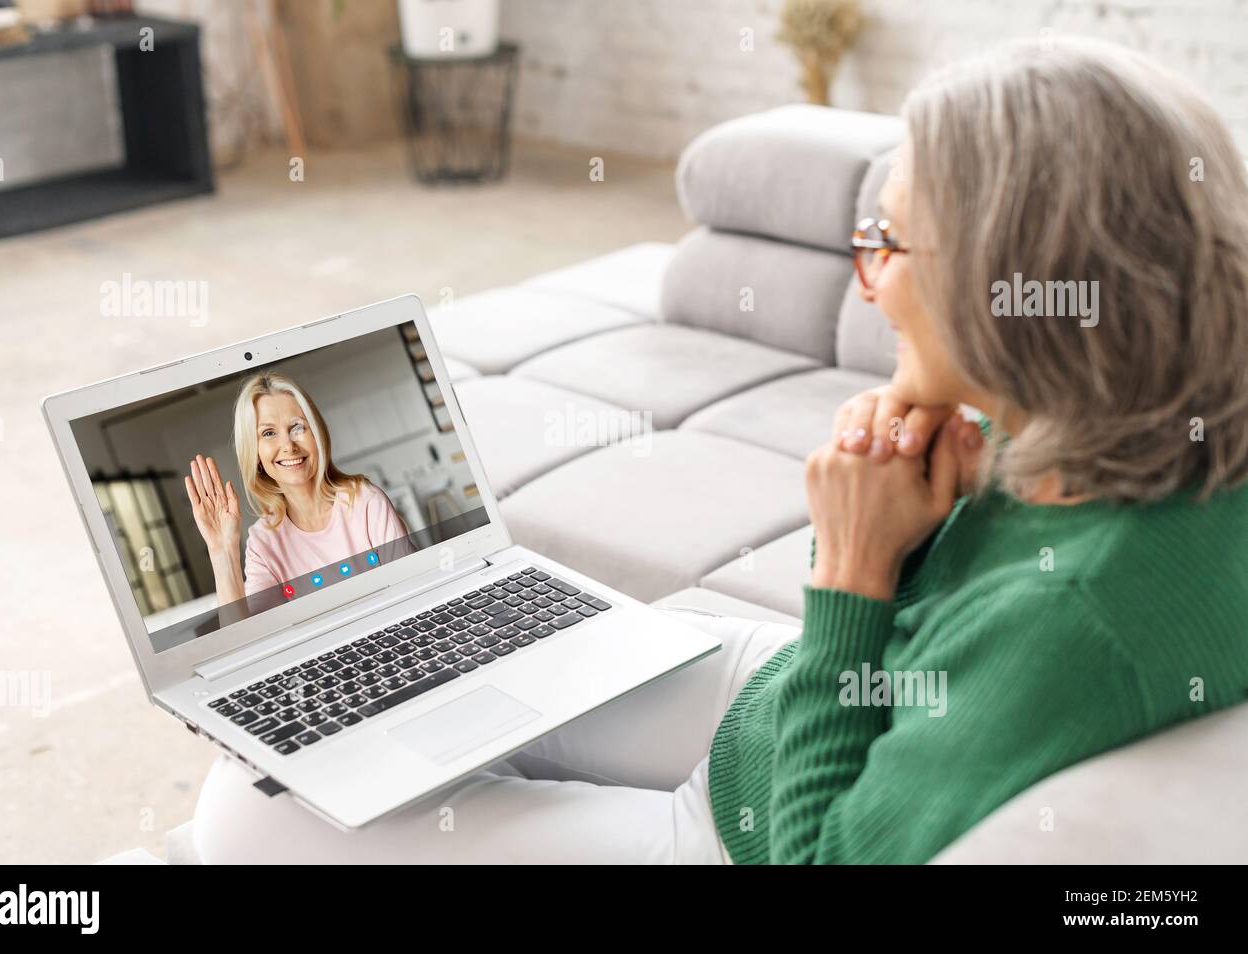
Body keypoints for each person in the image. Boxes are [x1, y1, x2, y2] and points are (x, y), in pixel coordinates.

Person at [193, 38, 1248, 863]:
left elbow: (825, 854)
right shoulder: (1123, 434)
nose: (864, 281)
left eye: (886, 242)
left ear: (1008, 283)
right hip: (791, 701)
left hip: (748, 833)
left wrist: (850, 568)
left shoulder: (1072, 623)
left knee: (244, 817)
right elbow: (939, 645)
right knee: (454, 666)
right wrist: (921, 514)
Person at [185, 371, 411, 606]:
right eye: (269, 433)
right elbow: (252, 639)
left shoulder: (366, 502)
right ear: (255, 453)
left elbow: (413, 590)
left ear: (317, 434)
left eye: (297, 427)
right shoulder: (263, 542)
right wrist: (223, 551)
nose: (288, 445)